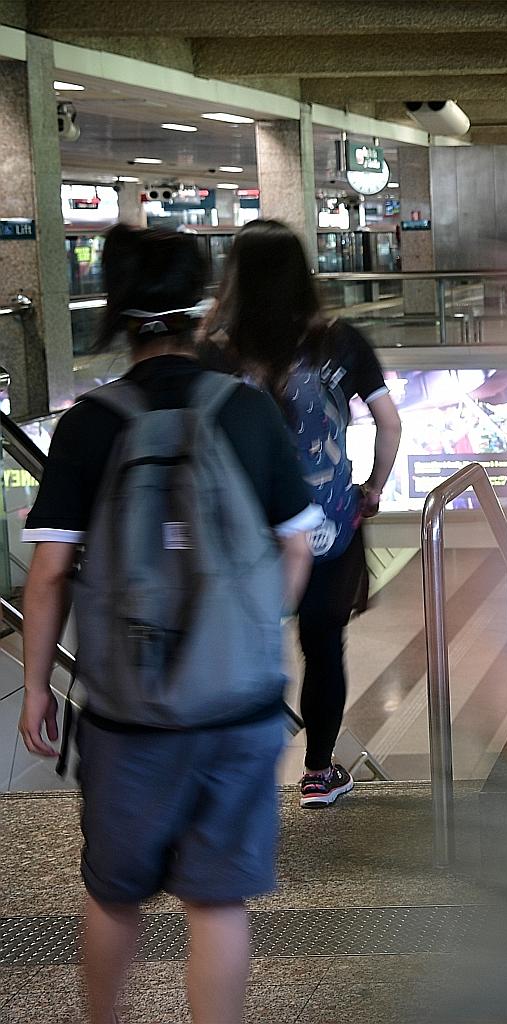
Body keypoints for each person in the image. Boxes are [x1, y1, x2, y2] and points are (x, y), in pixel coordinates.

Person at [18, 225, 318, 1024]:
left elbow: (47, 575)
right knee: (216, 904)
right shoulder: (248, 413)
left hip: (126, 713)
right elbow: (297, 547)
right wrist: (255, 623)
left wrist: (36, 687)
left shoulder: (88, 425)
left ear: (117, 312)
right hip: (238, 708)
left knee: (114, 897)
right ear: (199, 307)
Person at [203, 219, 403, 808]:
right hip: (328, 528)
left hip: (243, 531)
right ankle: (318, 773)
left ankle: (236, 773)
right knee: (323, 646)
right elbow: (388, 422)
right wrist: (372, 487)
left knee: (242, 643)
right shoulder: (341, 342)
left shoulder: (214, 355)